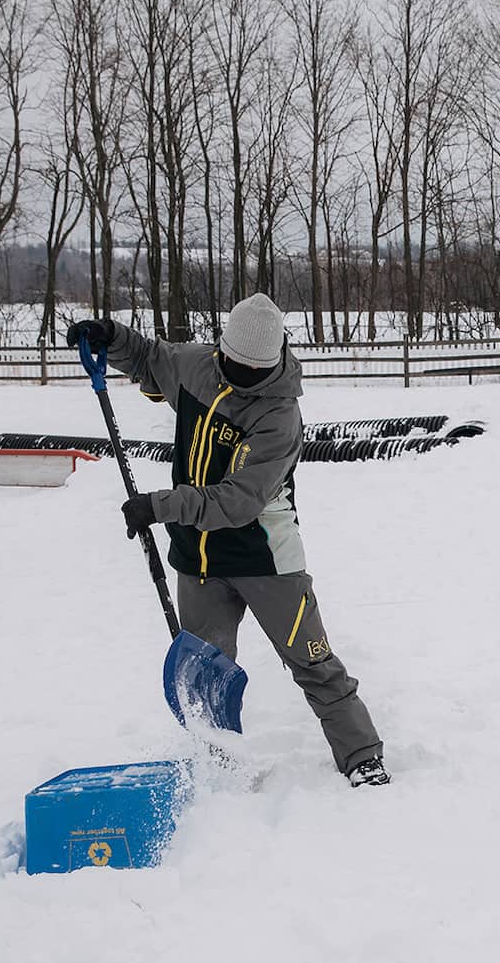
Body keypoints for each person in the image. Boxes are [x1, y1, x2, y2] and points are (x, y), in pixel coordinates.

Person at [66, 293, 390, 788]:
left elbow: (237, 502)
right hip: (199, 558)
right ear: (223, 349)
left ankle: (362, 755)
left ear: (276, 360)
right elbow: (154, 360)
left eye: (253, 372)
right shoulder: (200, 365)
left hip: (266, 559)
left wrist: (161, 506)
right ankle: (219, 768)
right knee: (203, 674)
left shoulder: (280, 417)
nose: (241, 378)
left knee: (312, 661)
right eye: (234, 365)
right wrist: (113, 338)